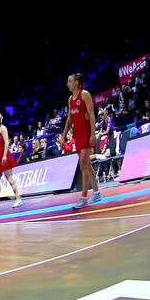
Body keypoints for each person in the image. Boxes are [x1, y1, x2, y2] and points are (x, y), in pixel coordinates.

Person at [65, 72, 103, 209]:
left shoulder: (85, 94)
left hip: (87, 133)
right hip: (78, 136)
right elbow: (69, 119)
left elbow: (92, 115)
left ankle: (84, 197)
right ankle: (97, 192)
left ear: (76, 82)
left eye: (69, 81)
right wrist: (64, 135)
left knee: (83, 163)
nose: (67, 84)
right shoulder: (70, 99)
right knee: (86, 164)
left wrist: (93, 134)